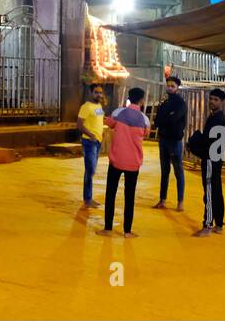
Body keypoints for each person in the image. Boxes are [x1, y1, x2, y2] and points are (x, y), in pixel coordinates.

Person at [102, 87, 150, 237]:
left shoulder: (118, 113)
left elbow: (109, 123)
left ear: (129, 97)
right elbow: (146, 134)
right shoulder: (144, 119)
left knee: (111, 193)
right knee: (130, 196)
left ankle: (108, 228)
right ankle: (127, 231)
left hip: (116, 160)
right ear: (142, 100)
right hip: (133, 163)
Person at [194, 88, 225, 236]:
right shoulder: (215, 117)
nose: (212, 102)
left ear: (222, 102)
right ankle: (219, 224)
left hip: (210, 160)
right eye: (211, 99)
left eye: (216, 100)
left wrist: (196, 141)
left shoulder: (217, 119)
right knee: (216, 191)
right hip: (215, 159)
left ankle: (207, 225)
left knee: (209, 192)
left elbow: (209, 140)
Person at [152, 76, 188, 211]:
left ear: (177, 88)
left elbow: (172, 120)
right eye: (168, 85)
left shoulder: (180, 104)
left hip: (175, 141)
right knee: (164, 171)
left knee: (178, 172)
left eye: (173, 86)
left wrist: (163, 120)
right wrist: (165, 119)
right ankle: (162, 200)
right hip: (163, 140)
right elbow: (157, 121)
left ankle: (180, 201)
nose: (170, 87)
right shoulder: (165, 103)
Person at [76, 86, 106, 208]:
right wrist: (91, 135)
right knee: (90, 170)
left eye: (100, 92)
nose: (99, 95)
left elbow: (99, 120)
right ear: (91, 93)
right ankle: (88, 199)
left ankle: (88, 198)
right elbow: (79, 125)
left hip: (97, 141)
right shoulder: (86, 107)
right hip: (89, 142)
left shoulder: (99, 107)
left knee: (91, 170)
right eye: (96, 92)